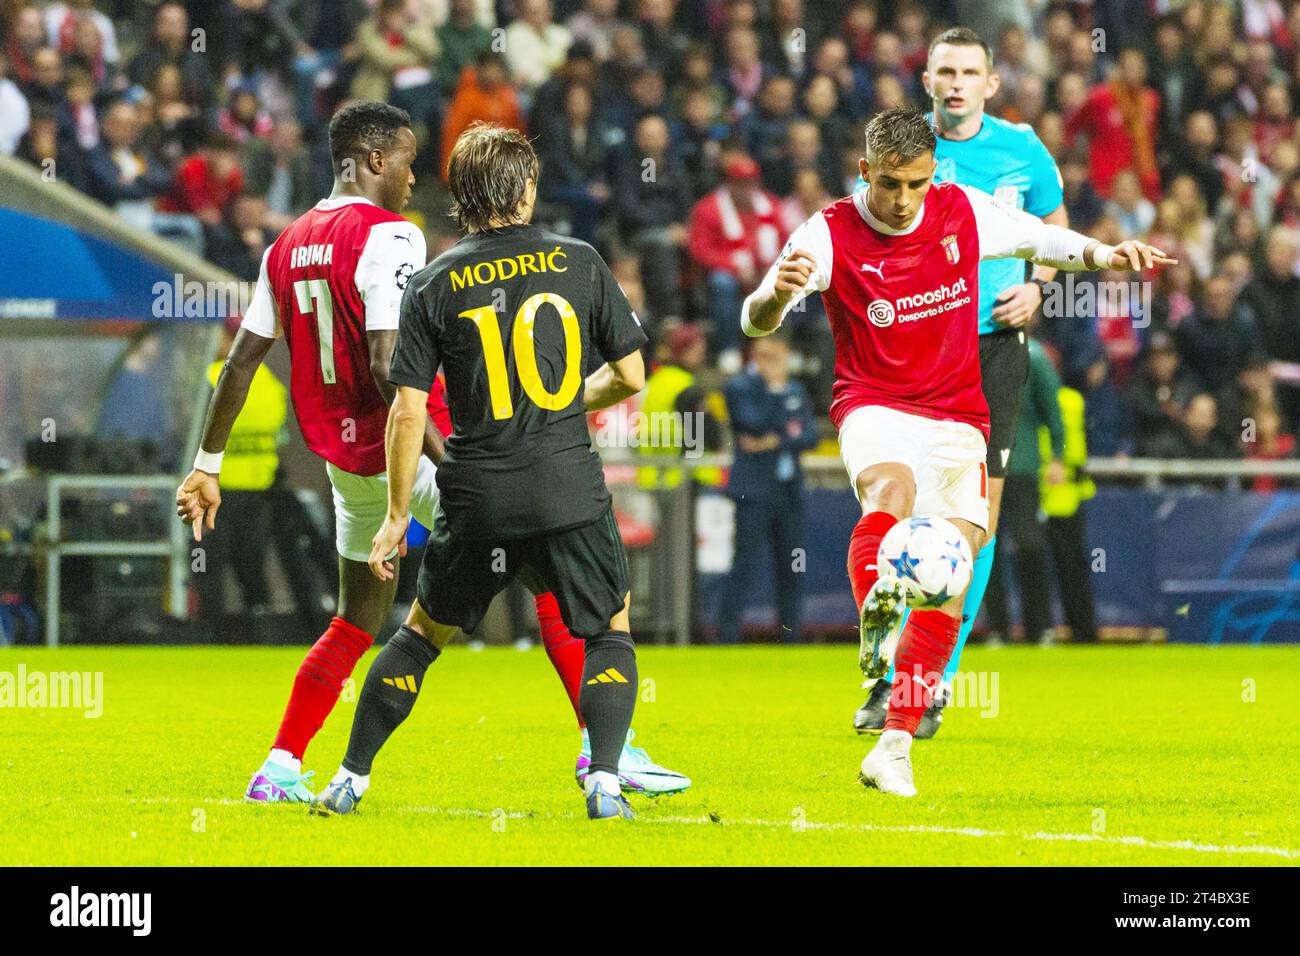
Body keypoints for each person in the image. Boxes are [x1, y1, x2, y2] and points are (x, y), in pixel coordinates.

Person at [176, 104, 684, 806]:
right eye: (409, 159)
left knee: (357, 619)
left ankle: (283, 765)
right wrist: (459, 464)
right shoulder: (391, 237)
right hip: (423, 453)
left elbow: (241, 361)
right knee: (555, 578)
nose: (416, 176)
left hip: (341, 460)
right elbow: (394, 369)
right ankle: (611, 755)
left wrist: (207, 463)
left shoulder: (286, 243)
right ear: (375, 160)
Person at [743, 108, 1172, 797]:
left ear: (930, 175)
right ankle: (880, 653)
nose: (904, 200)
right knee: (891, 496)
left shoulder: (961, 210)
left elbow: (1041, 238)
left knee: (955, 566)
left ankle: (894, 744)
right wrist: (774, 295)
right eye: (889, 184)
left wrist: (1106, 255)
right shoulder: (828, 232)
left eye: (914, 184)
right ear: (864, 172)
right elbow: (752, 317)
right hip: (875, 404)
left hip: (957, 416)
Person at [312, 122, 668, 821]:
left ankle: (350, 778)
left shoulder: (433, 281)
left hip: (476, 496)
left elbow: (407, 411)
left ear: (461, 198)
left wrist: (392, 517)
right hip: (567, 485)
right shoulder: (581, 260)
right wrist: (563, 404)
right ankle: (603, 780)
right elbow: (630, 374)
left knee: (418, 637)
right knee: (607, 631)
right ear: (527, 190)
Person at [850, 28, 1071, 737]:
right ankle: (886, 663)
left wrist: (1039, 285)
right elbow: (866, 227)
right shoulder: (907, 153)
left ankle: (929, 682)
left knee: (975, 527)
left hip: (993, 347)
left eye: (968, 72)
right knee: (898, 499)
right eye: (944, 71)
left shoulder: (1023, 150)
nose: (955, 83)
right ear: (926, 80)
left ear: (990, 83)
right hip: (914, 347)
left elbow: (1054, 223)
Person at [718, 333, 818, 644]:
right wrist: (776, 396)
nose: (771, 364)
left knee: (792, 566)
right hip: (754, 492)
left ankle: (791, 638)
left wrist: (774, 440)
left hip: (789, 491)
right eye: (764, 357)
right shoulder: (739, 387)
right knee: (744, 565)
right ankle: (727, 638)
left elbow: (810, 435)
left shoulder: (797, 389)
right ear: (754, 356)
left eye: (777, 357)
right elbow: (752, 423)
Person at [981, 336, 1065, 647]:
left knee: (1030, 546)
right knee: (985, 548)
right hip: (982, 467)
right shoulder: (972, 347)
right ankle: (997, 628)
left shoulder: (1035, 355)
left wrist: (1057, 454)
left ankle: (1040, 627)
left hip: (1022, 467)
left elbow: (1052, 408)